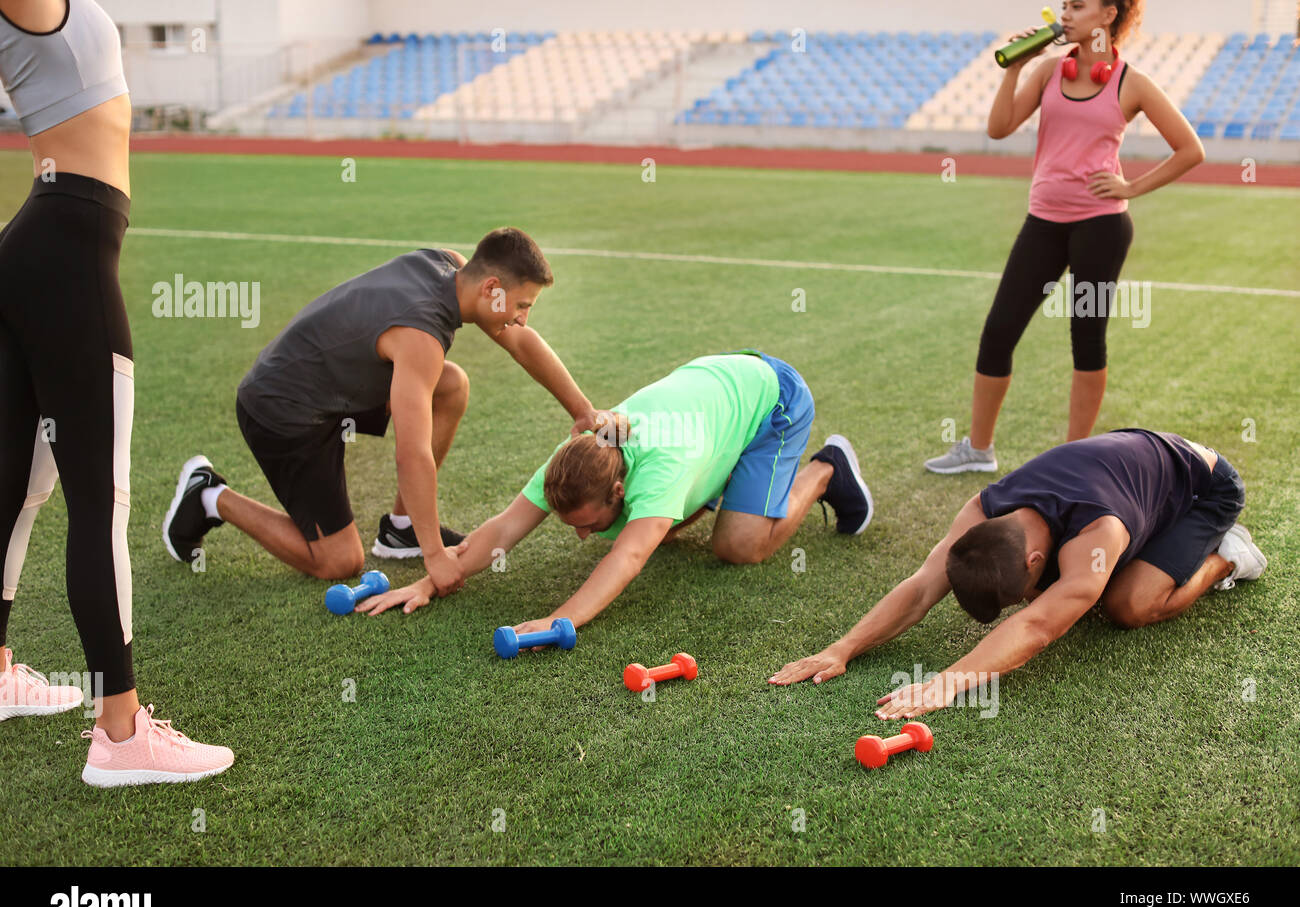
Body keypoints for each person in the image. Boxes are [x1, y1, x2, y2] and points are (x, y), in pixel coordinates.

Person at [0, 0, 233, 784]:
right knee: (97, 503)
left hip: (44, 246)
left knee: (19, 489)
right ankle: (121, 731)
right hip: (65, 250)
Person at [163, 228, 597, 595]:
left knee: (450, 386)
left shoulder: (448, 264)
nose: (522, 319)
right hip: (283, 410)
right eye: (521, 306)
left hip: (334, 386)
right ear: (490, 288)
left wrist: (582, 411)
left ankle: (400, 528)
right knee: (339, 561)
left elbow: (522, 342)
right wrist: (434, 557)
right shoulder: (419, 337)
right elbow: (412, 454)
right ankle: (208, 496)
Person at [357, 351, 875, 632]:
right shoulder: (580, 457)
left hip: (772, 399)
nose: (582, 537)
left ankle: (829, 469)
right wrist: (432, 579)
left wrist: (562, 618)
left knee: (738, 547)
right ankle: (725, 482)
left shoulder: (663, 465)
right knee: (659, 528)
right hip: (713, 396)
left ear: (621, 487)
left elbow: (627, 559)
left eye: (588, 522)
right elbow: (506, 525)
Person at [773, 429, 1266, 717]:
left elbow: (1037, 626)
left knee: (1126, 604)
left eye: (1026, 588)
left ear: (1035, 562)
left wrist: (949, 681)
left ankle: (1228, 556)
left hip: (1203, 488)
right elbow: (924, 585)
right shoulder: (982, 510)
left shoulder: (1099, 532)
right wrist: (843, 648)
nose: (1027, 600)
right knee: (1077, 592)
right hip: (1133, 472)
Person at [925, 0, 1205, 474]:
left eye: (1077, 6)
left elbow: (1190, 149)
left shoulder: (1130, 82)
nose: (1065, 14)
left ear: (1109, 14)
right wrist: (1013, 70)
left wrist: (1131, 186)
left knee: (1086, 337)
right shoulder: (1049, 70)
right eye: (1063, 6)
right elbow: (998, 129)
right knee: (998, 331)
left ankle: (1075, 459)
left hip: (1101, 227)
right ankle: (979, 448)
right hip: (1043, 221)